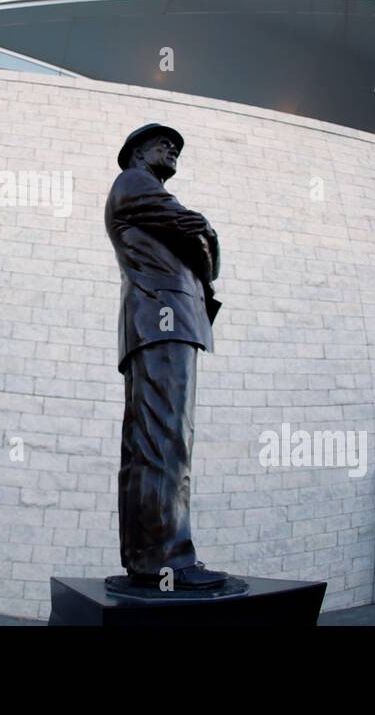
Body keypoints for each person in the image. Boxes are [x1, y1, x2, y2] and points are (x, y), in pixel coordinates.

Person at [105, 123, 227, 590]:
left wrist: (206, 245)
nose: (173, 149)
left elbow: (208, 258)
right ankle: (170, 562)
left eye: (177, 145)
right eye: (164, 143)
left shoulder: (141, 190)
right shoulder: (136, 183)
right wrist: (207, 232)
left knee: (147, 444)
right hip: (164, 319)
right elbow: (198, 232)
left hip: (155, 323)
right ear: (136, 152)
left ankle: (147, 558)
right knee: (166, 439)